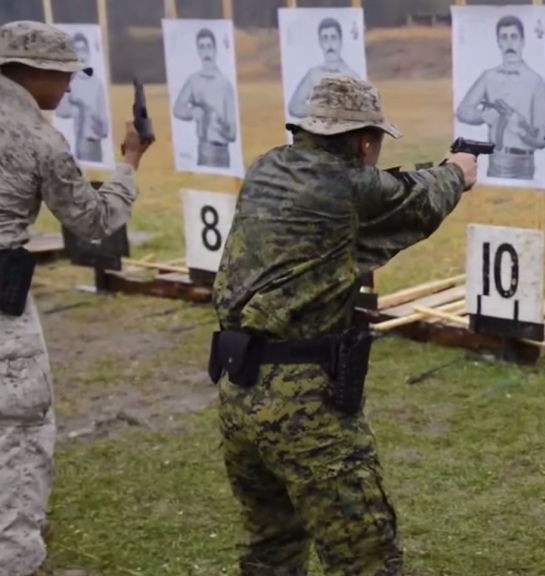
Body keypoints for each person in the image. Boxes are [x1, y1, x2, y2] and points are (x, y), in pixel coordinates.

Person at [208, 75, 477, 576]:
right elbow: (416, 198)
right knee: (365, 556)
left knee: (272, 547)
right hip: (302, 405)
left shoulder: (266, 167)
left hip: (236, 387)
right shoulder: (346, 183)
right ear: (364, 140)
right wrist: (458, 171)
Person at [0, 20, 152, 576]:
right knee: (20, 434)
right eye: (63, 75)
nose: (68, 87)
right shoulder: (37, 137)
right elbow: (95, 222)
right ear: (31, 70)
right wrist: (130, 163)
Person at [455, 14, 545, 181]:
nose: (509, 43)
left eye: (514, 37)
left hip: (524, 162)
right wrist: (483, 116)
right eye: (504, 37)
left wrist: (521, 131)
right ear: (498, 42)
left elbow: (542, 139)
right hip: (497, 161)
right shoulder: (488, 77)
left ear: (522, 41)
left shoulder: (535, 82)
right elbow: (462, 111)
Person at [172, 27, 237, 170]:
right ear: (198, 51)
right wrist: (193, 112)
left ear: (215, 49)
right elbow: (177, 109)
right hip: (204, 149)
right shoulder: (194, 81)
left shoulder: (225, 84)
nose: (206, 51)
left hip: (222, 151)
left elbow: (233, 133)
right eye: (202, 47)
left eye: (209, 46)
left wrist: (219, 125)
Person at [287, 16, 361, 119]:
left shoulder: (352, 77)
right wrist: (319, 110)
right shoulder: (314, 75)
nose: (330, 44)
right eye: (325, 38)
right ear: (320, 43)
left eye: (333, 38)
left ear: (341, 41)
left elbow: (363, 112)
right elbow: (294, 107)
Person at [54, 31, 110, 164]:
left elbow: (104, 123)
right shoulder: (70, 81)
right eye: (78, 50)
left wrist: (100, 125)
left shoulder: (97, 84)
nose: (82, 54)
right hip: (80, 142)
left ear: (89, 53)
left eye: (84, 50)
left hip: (96, 144)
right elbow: (60, 109)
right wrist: (77, 109)